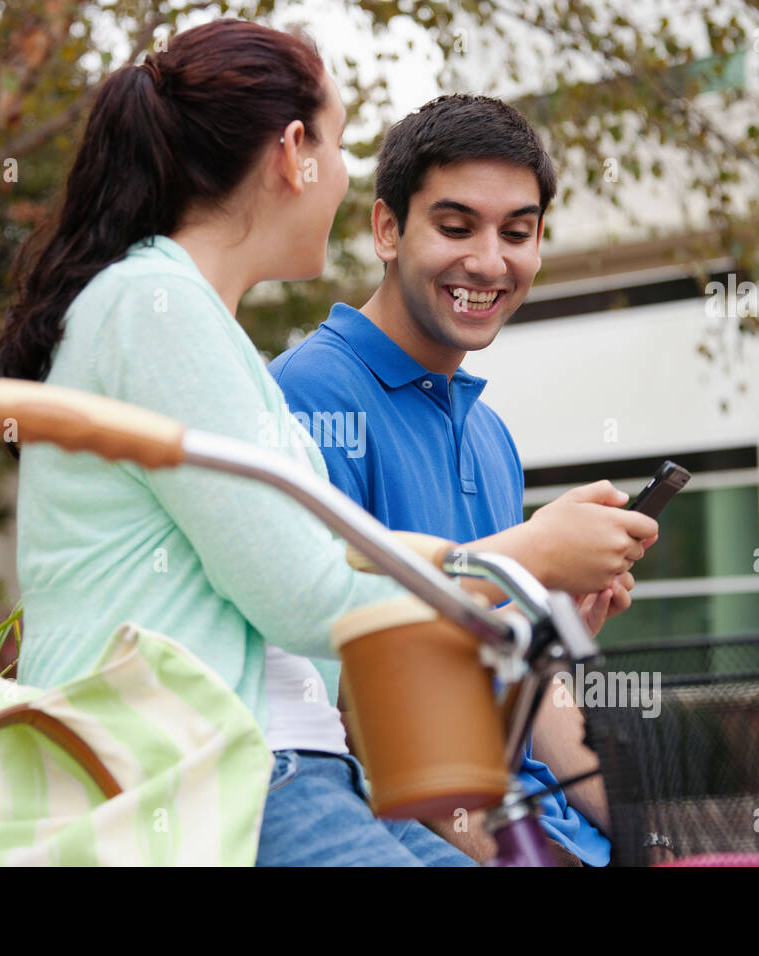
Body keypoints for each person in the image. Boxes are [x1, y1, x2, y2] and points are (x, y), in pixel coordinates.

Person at [0, 20, 476, 867]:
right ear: (294, 152)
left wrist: (475, 571)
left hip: (295, 764)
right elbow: (304, 595)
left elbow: (324, 560)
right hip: (214, 774)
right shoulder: (155, 306)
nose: (345, 178)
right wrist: (522, 569)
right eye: (339, 143)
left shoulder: (198, 325)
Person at [269, 94, 660, 866]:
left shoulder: (489, 435)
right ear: (387, 229)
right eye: (455, 227)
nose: (488, 262)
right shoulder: (310, 395)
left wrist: (657, 838)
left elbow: (525, 692)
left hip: (536, 822)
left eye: (517, 232)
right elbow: (346, 705)